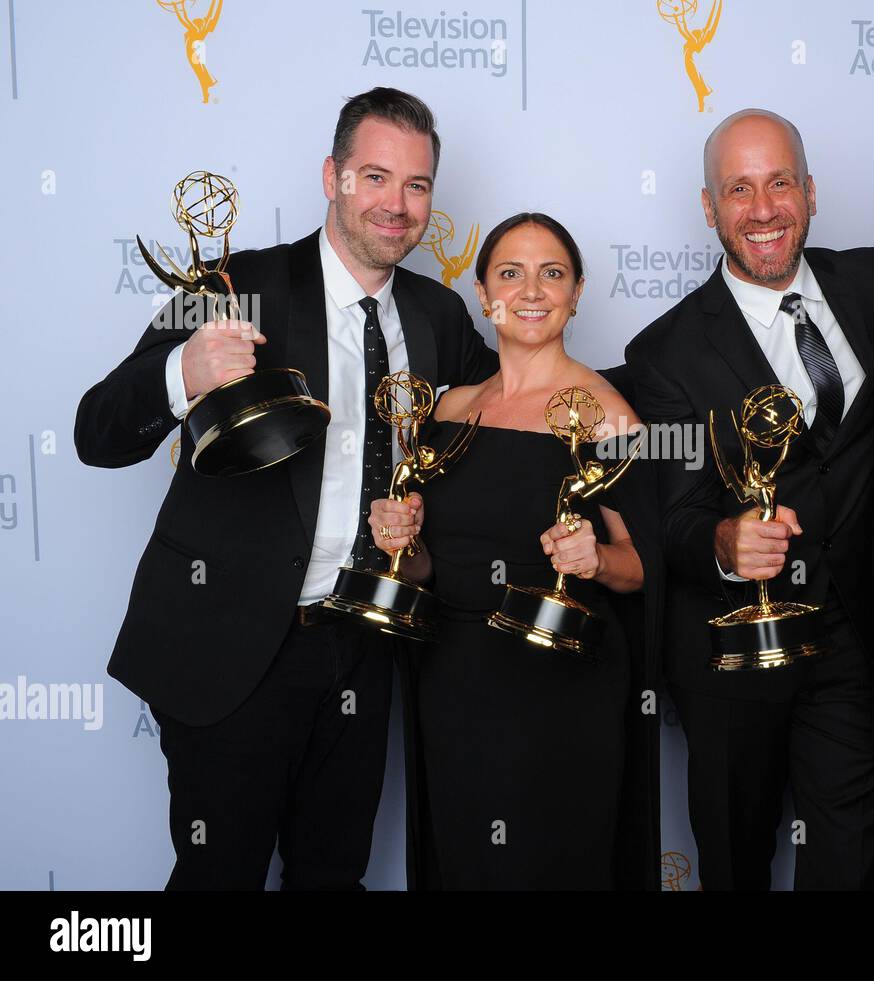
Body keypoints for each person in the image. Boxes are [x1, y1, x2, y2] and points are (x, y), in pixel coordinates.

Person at [74, 87, 498, 889]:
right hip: (232, 653)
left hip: (361, 652)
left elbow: (504, 415)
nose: (396, 205)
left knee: (332, 876)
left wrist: (635, 404)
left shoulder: (440, 318)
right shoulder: (240, 285)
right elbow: (97, 432)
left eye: (416, 186)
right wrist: (181, 372)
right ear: (332, 176)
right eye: (375, 177)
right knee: (220, 876)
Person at [625, 109, 874, 890]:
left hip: (857, 640)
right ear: (708, 206)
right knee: (735, 859)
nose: (763, 210)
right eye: (739, 188)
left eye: (780, 182)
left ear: (812, 190)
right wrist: (723, 543)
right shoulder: (664, 352)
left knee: (849, 859)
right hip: (732, 658)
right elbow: (678, 515)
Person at [369, 213, 654, 890]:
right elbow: (428, 567)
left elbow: (643, 566)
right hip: (452, 682)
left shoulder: (608, 414)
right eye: (510, 272)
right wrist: (398, 544)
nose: (532, 290)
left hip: (557, 692)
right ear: (482, 292)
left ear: (577, 291)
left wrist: (593, 558)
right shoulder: (448, 410)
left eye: (552, 272)